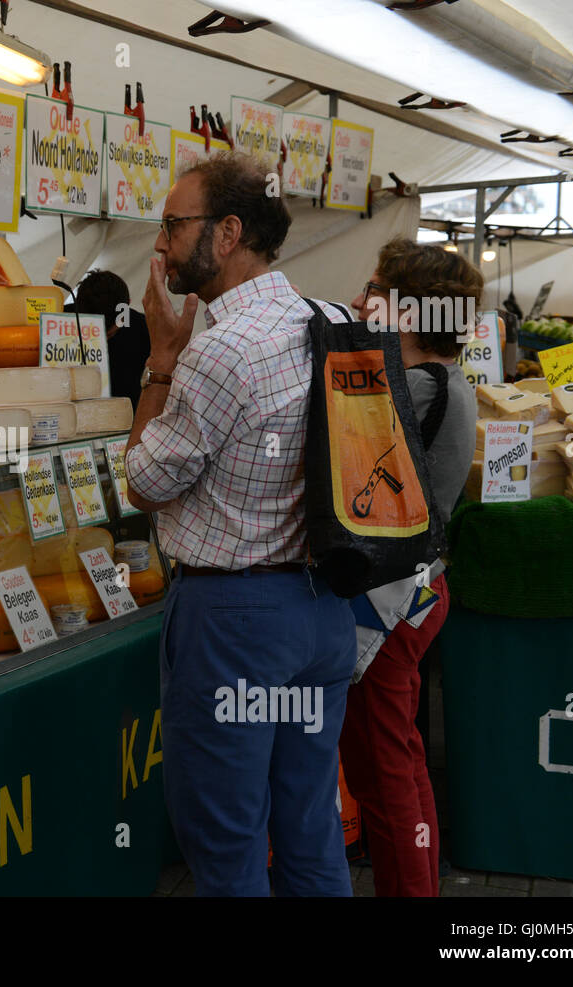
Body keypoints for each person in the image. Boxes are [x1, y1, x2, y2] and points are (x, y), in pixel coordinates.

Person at [124, 151, 357, 896]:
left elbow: (145, 482)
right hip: (323, 609)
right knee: (311, 825)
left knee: (225, 846)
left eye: (170, 225)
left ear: (227, 233)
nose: (159, 245)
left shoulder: (217, 350)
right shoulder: (331, 316)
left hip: (234, 622)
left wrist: (160, 363)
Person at [339, 238, 481, 897]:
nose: (366, 301)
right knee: (402, 759)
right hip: (423, 588)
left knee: (382, 770)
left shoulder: (419, 386)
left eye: (378, 290)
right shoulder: (444, 381)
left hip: (395, 595)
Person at [67, 270, 150, 408]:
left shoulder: (145, 329)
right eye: (93, 332)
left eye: (109, 335)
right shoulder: (59, 320)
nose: (102, 340)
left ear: (126, 308)